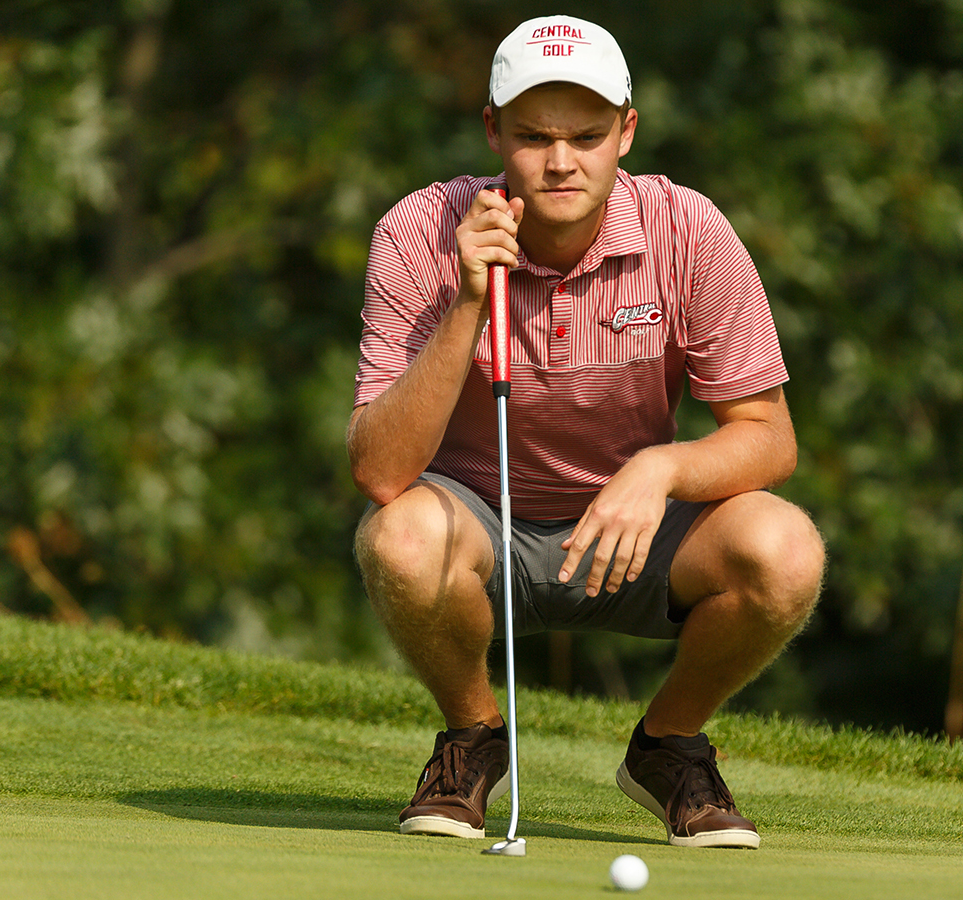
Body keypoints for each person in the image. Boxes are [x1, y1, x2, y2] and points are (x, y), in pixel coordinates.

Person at [347, 14, 824, 850]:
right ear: (492, 129)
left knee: (786, 551)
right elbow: (381, 473)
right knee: (397, 538)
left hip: (641, 537)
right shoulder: (419, 231)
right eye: (533, 136)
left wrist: (663, 468)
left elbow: (769, 438)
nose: (560, 161)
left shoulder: (689, 231)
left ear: (627, 131)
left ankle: (668, 748)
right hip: (480, 530)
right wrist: (465, 301)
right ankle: (473, 741)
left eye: (587, 135)